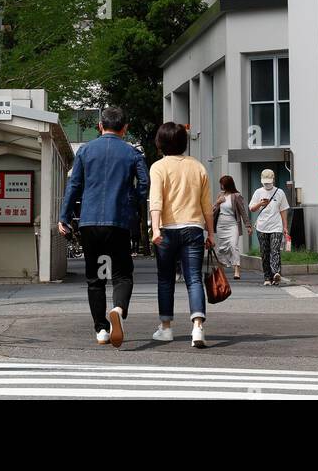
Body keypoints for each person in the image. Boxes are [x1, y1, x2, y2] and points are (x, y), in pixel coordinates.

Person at [58, 104, 150, 347]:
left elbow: (74, 186)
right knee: (122, 273)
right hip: (118, 221)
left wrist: (64, 217)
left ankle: (101, 329)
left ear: (100, 126)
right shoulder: (132, 153)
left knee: (95, 277)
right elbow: (144, 183)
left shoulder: (86, 151)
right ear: (125, 128)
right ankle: (118, 310)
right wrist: (133, 203)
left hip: (90, 222)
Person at [149, 121, 216, 349]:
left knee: (165, 279)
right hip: (194, 229)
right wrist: (211, 233)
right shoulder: (198, 167)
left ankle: (166, 328)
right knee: (194, 278)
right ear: (184, 142)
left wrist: (155, 228)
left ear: (161, 142)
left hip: (167, 230)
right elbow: (206, 205)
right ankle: (197, 326)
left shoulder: (159, 167)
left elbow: (156, 200)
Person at [249, 168, 290, 286]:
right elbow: (252, 209)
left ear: (273, 180)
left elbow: (283, 210)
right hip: (262, 227)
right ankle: (267, 277)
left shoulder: (280, 192)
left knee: (275, 250)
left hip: (276, 226)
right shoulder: (258, 192)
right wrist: (260, 204)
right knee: (265, 252)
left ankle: (276, 273)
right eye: (265, 182)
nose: (267, 184)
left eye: (269, 182)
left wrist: (285, 226)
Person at [213, 175, 250, 280]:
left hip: (233, 224)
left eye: (222, 183)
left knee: (233, 246)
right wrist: (217, 202)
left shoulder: (236, 196)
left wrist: (248, 225)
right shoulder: (220, 195)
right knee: (222, 248)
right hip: (221, 224)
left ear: (227, 184)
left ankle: (237, 270)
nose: (221, 185)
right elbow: (213, 209)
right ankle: (221, 270)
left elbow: (243, 211)